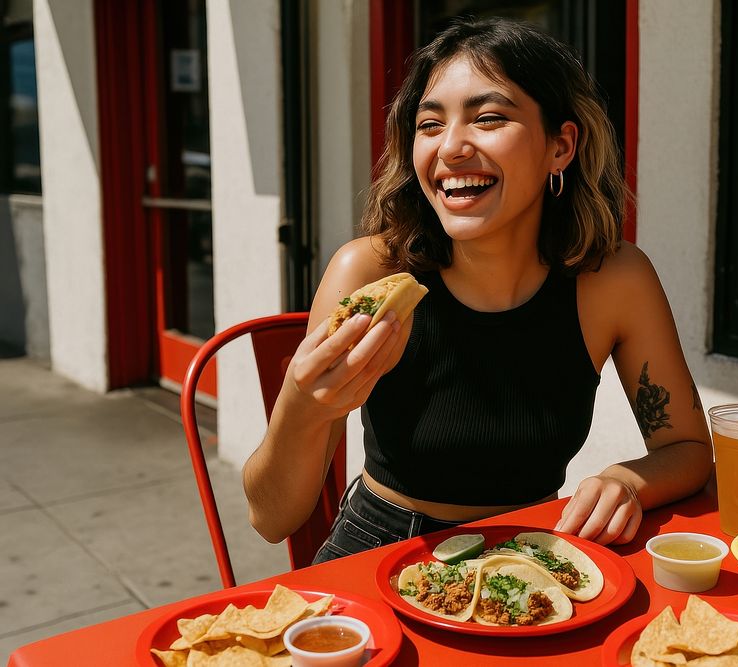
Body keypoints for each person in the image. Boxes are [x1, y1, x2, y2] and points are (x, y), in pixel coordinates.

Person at [242, 16, 712, 562]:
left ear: (560, 147)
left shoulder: (614, 279)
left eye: (488, 118)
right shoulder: (366, 272)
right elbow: (271, 519)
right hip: (383, 545)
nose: (451, 148)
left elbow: (686, 449)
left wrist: (628, 480)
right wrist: (301, 406)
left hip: (535, 550)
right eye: (430, 124)